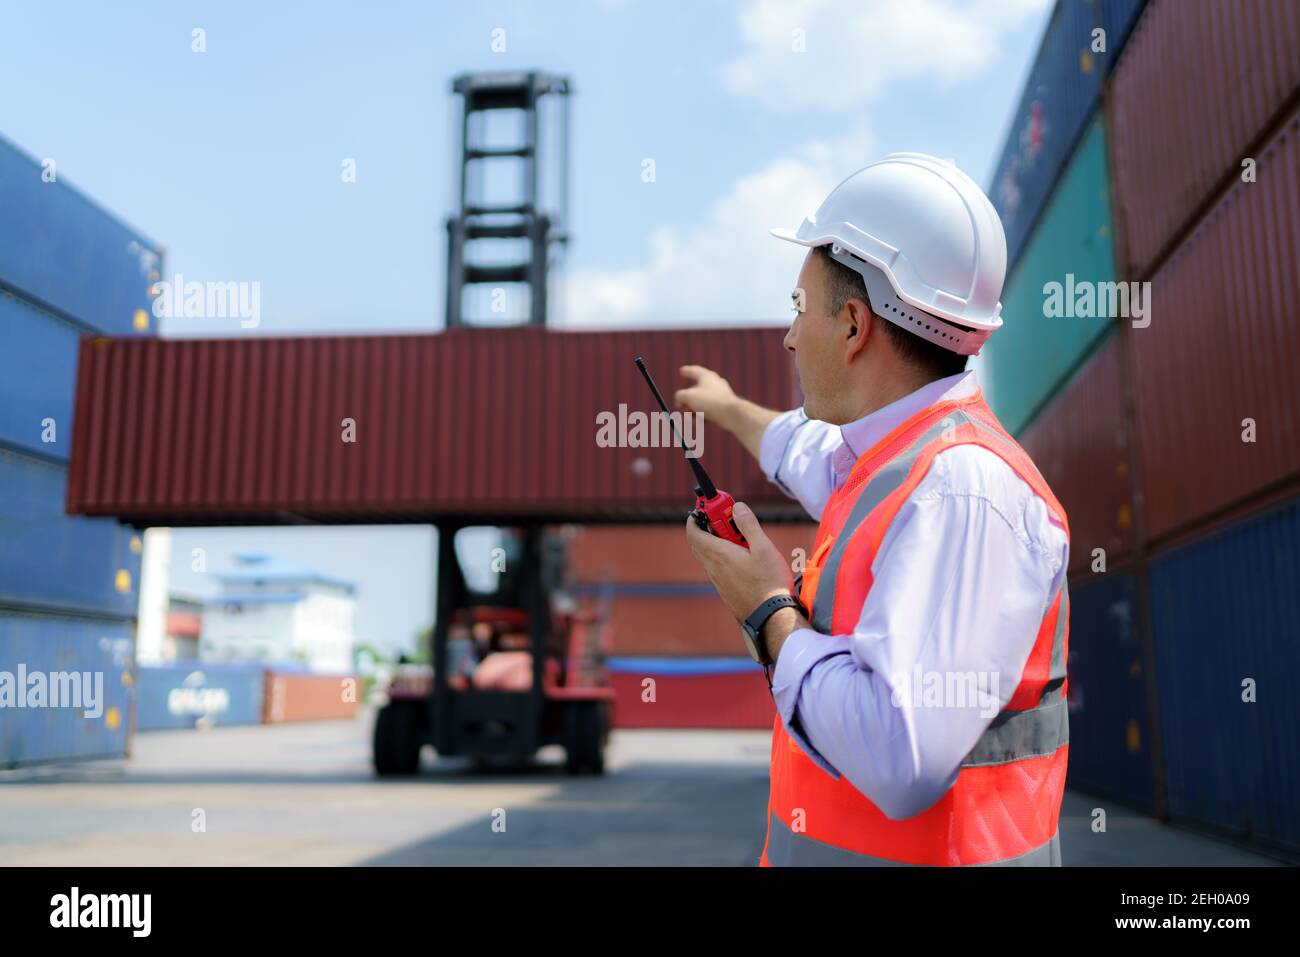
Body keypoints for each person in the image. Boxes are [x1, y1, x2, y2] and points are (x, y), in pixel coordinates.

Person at [678, 153, 1070, 867]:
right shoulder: (889, 465)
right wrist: (731, 408)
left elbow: (902, 758)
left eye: (799, 310)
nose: (790, 336)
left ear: (854, 325)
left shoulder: (961, 492)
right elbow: (802, 451)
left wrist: (768, 611)